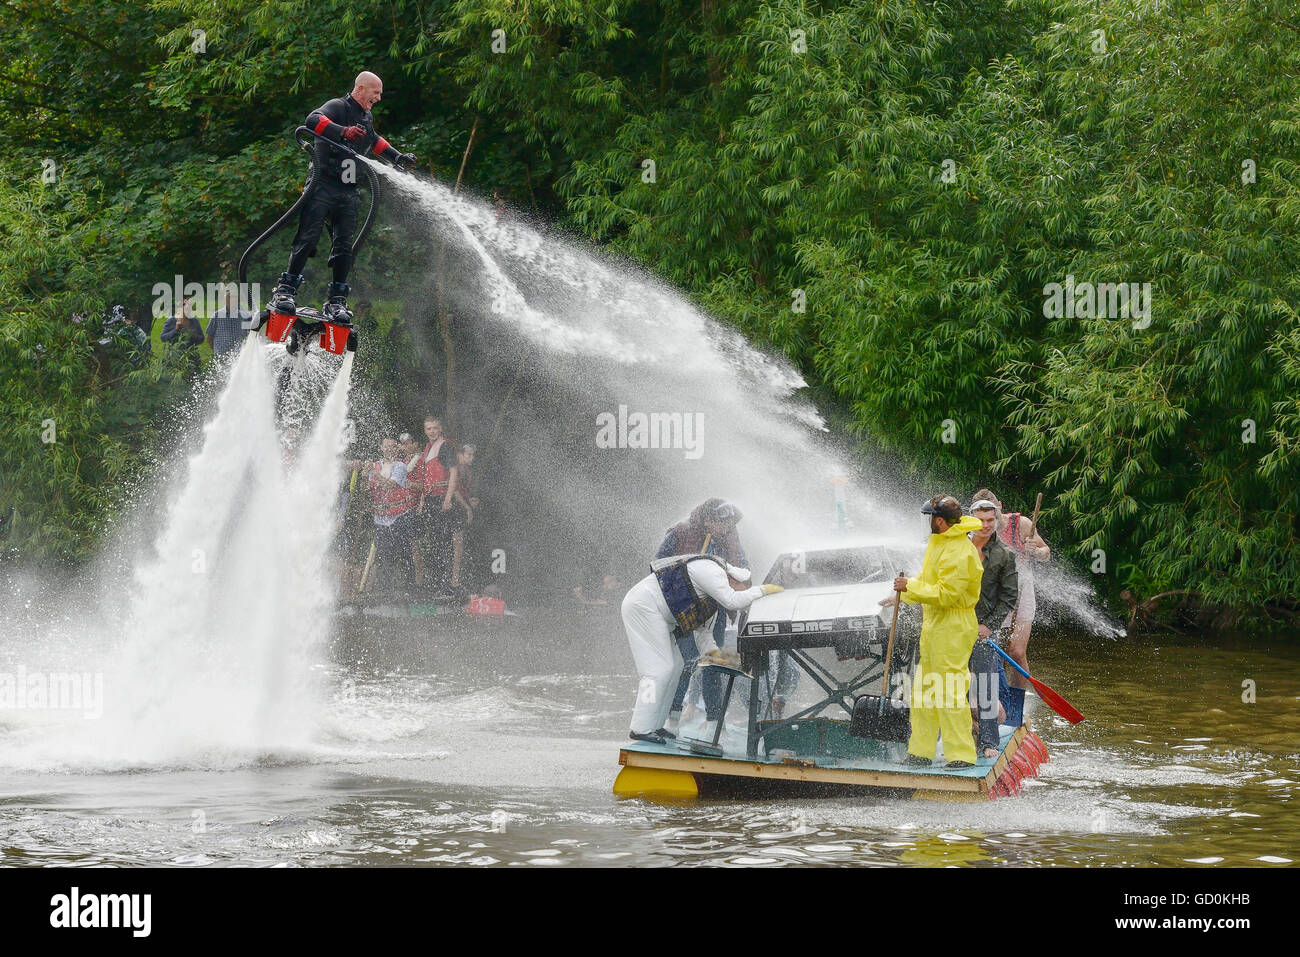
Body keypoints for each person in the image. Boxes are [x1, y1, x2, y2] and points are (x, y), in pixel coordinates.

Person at [267, 71, 417, 324]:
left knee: (345, 247)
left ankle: (337, 300)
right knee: (308, 237)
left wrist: (397, 157)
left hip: (348, 192)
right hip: (322, 186)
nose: (379, 98)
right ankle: (286, 291)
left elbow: (375, 141)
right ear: (360, 89)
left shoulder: (366, 117)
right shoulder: (337, 107)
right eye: (376, 93)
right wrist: (343, 132)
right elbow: (312, 120)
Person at [622, 553, 782, 745]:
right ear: (736, 579)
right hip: (642, 606)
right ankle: (640, 728)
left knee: (676, 667)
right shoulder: (712, 570)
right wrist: (763, 590)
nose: (740, 595)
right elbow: (733, 600)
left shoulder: (710, 599)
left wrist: (718, 657)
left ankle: (655, 725)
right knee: (656, 671)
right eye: (742, 590)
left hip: (658, 615)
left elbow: (705, 635)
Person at [882, 494, 983, 769]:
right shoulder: (939, 543)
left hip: (953, 626)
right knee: (924, 690)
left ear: (939, 520)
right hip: (935, 625)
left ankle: (961, 754)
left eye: (930, 517)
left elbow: (947, 595)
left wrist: (910, 588)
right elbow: (929, 584)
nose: (927, 522)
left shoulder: (961, 551)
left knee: (949, 689)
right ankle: (921, 752)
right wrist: (904, 593)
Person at [654, 500, 749, 729]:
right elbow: (658, 566)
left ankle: (716, 722)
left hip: (712, 611)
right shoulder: (680, 532)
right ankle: (672, 719)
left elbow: (743, 569)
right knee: (685, 662)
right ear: (707, 520)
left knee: (713, 662)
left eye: (729, 523)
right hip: (682, 609)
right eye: (721, 523)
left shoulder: (729, 538)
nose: (726, 528)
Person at [982, 489, 1050, 689]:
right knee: (987, 651)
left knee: (1016, 652)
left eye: (992, 513)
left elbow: (1046, 553)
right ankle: (995, 700)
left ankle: (1016, 705)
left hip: (1022, 588)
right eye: (984, 517)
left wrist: (1036, 550)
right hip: (993, 593)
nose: (988, 521)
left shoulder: (1022, 524)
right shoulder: (981, 530)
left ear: (1000, 506)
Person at [968, 496, 1018, 758]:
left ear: (997, 520)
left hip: (984, 629)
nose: (986, 525)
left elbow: (1009, 598)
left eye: (990, 520)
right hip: (953, 626)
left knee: (987, 685)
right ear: (970, 519)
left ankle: (989, 742)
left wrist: (989, 626)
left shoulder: (1004, 555)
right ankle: (954, 734)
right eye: (980, 520)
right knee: (950, 682)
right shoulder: (955, 546)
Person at [345, 436, 414, 596]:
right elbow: (366, 490)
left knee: (404, 553)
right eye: (386, 446)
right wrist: (363, 475)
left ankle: (411, 589)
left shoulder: (400, 466)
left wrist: (373, 472)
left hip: (399, 516)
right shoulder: (376, 465)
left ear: (396, 449)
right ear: (381, 448)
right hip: (380, 518)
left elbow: (390, 485)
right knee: (384, 555)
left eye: (392, 447)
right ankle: (386, 591)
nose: (389, 449)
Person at [410, 416, 459, 594]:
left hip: (442, 498)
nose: (432, 431)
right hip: (430, 498)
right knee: (435, 542)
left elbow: (454, 473)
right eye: (429, 428)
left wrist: (448, 498)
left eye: (435, 428)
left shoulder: (446, 446)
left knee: (445, 541)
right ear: (425, 431)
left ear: (440, 429)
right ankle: (436, 583)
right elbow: (426, 476)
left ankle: (446, 586)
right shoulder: (428, 447)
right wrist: (422, 499)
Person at [206, 287, 252, 358]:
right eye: (229, 297)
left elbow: (250, 336)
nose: (232, 300)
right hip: (221, 356)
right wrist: (216, 351)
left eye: (235, 297)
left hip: (239, 357)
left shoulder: (245, 316)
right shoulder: (217, 315)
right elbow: (209, 337)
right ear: (225, 299)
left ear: (238, 300)